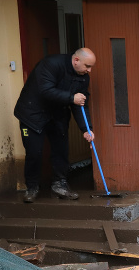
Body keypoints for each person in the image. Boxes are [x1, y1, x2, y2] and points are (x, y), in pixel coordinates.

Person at [13, 48, 96, 202]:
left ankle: (60, 185)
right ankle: (32, 187)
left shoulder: (83, 77)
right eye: (87, 66)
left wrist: (86, 129)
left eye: (91, 67)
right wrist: (72, 98)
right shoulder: (50, 64)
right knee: (34, 152)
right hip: (32, 114)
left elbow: (80, 103)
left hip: (57, 114)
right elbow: (46, 90)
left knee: (61, 150)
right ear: (76, 60)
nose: (89, 70)